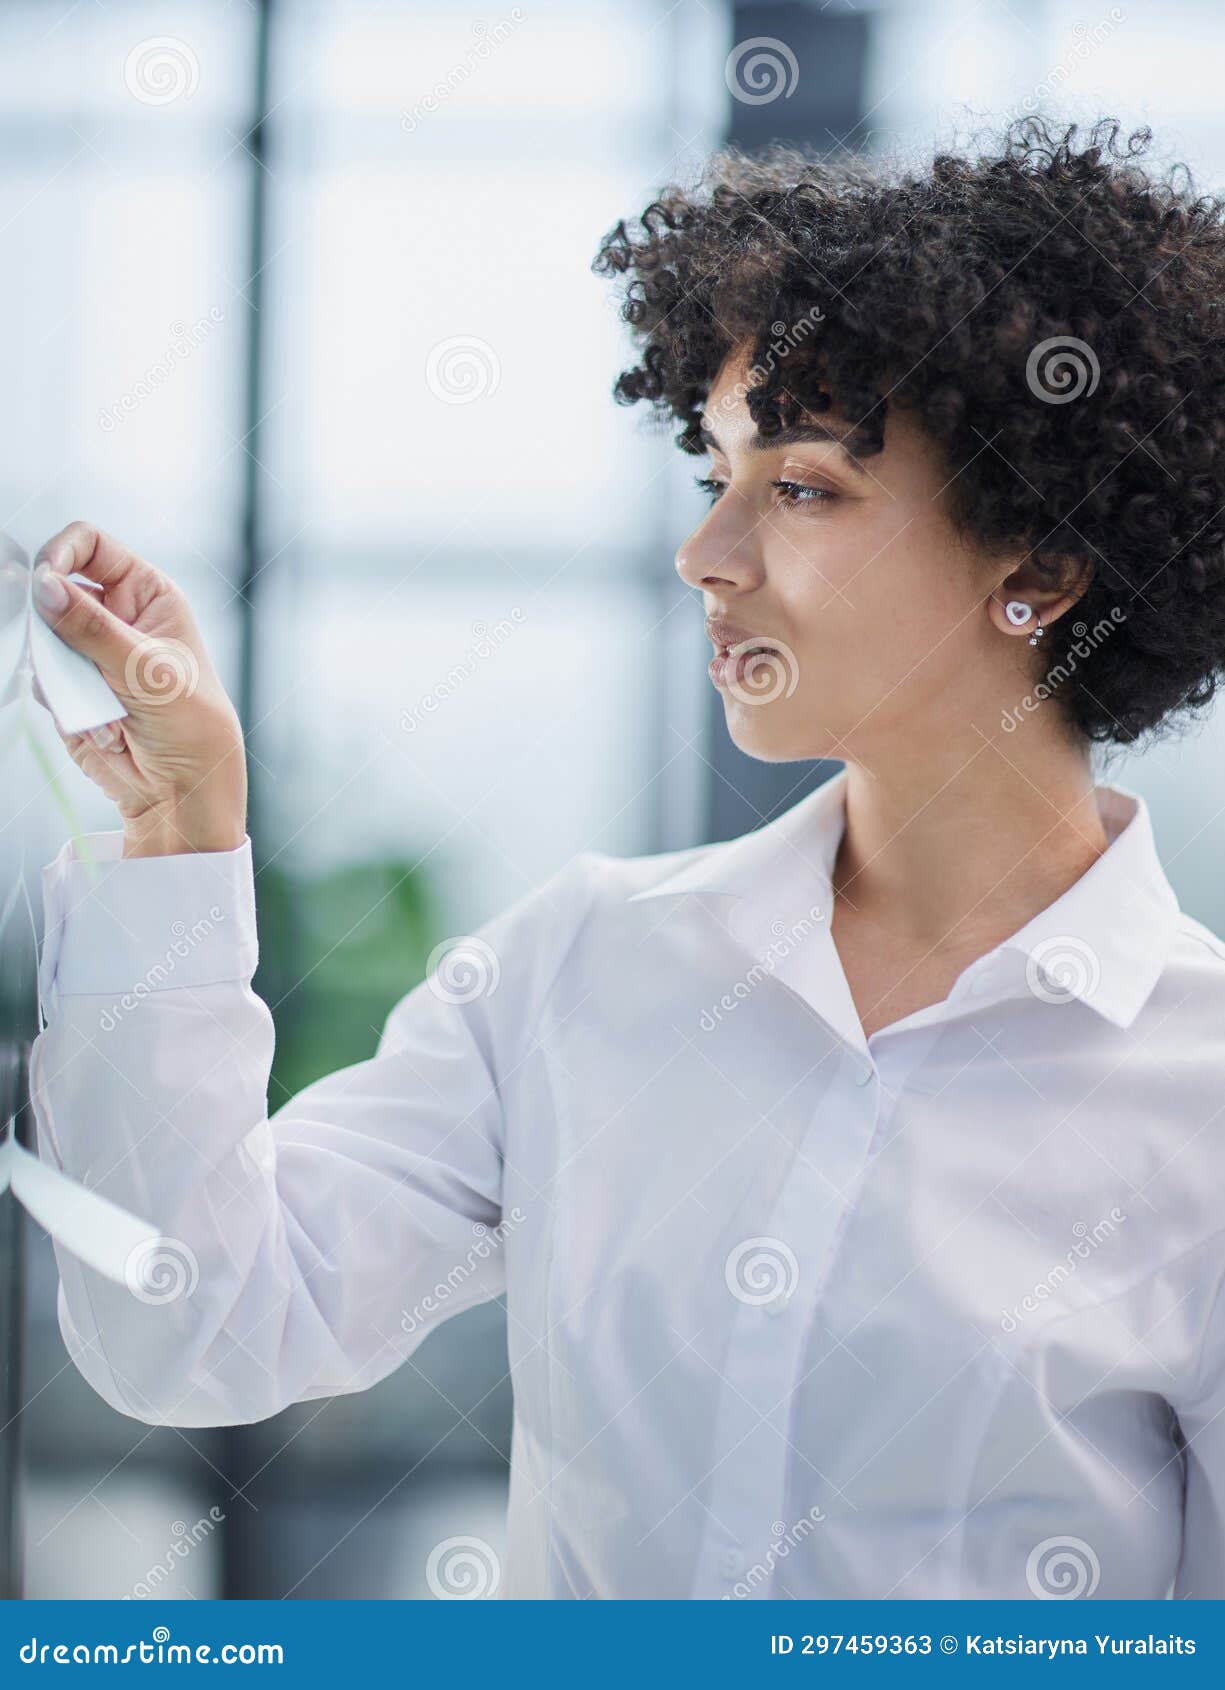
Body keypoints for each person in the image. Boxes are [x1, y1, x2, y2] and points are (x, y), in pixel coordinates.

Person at [27, 118, 1225, 1599]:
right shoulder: (580, 964)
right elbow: (190, 1325)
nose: (705, 552)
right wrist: (173, 837)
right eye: (711, 472)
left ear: (1037, 570)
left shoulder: (1202, 1096)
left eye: (799, 487)